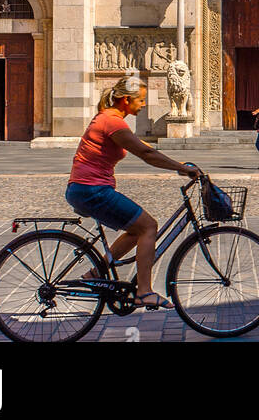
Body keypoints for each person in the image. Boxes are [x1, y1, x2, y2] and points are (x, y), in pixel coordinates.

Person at [65, 75, 200, 310]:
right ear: (126, 100)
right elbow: (146, 154)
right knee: (148, 226)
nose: (144, 104)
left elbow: (146, 149)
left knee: (136, 229)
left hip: (86, 188)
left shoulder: (111, 119)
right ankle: (144, 292)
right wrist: (182, 169)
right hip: (91, 189)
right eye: (141, 100)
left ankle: (96, 272)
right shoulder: (112, 122)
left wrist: (178, 166)